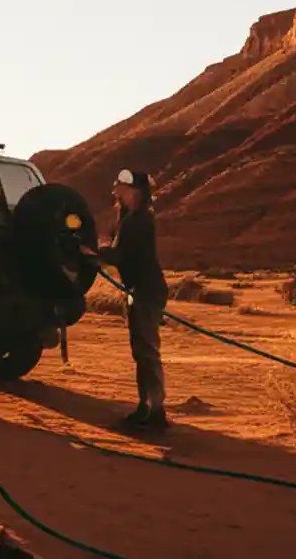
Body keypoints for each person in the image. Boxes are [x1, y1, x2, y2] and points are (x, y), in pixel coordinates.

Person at [81, 169, 169, 430]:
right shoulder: (133, 218)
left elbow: (121, 255)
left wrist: (93, 253)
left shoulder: (137, 221)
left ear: (135, 191)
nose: (115, 189)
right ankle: (150, 407)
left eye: (120, 185)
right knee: (143, 349)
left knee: (146, 350)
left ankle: (153, 411)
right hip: (142, 290)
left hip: (145, 291)